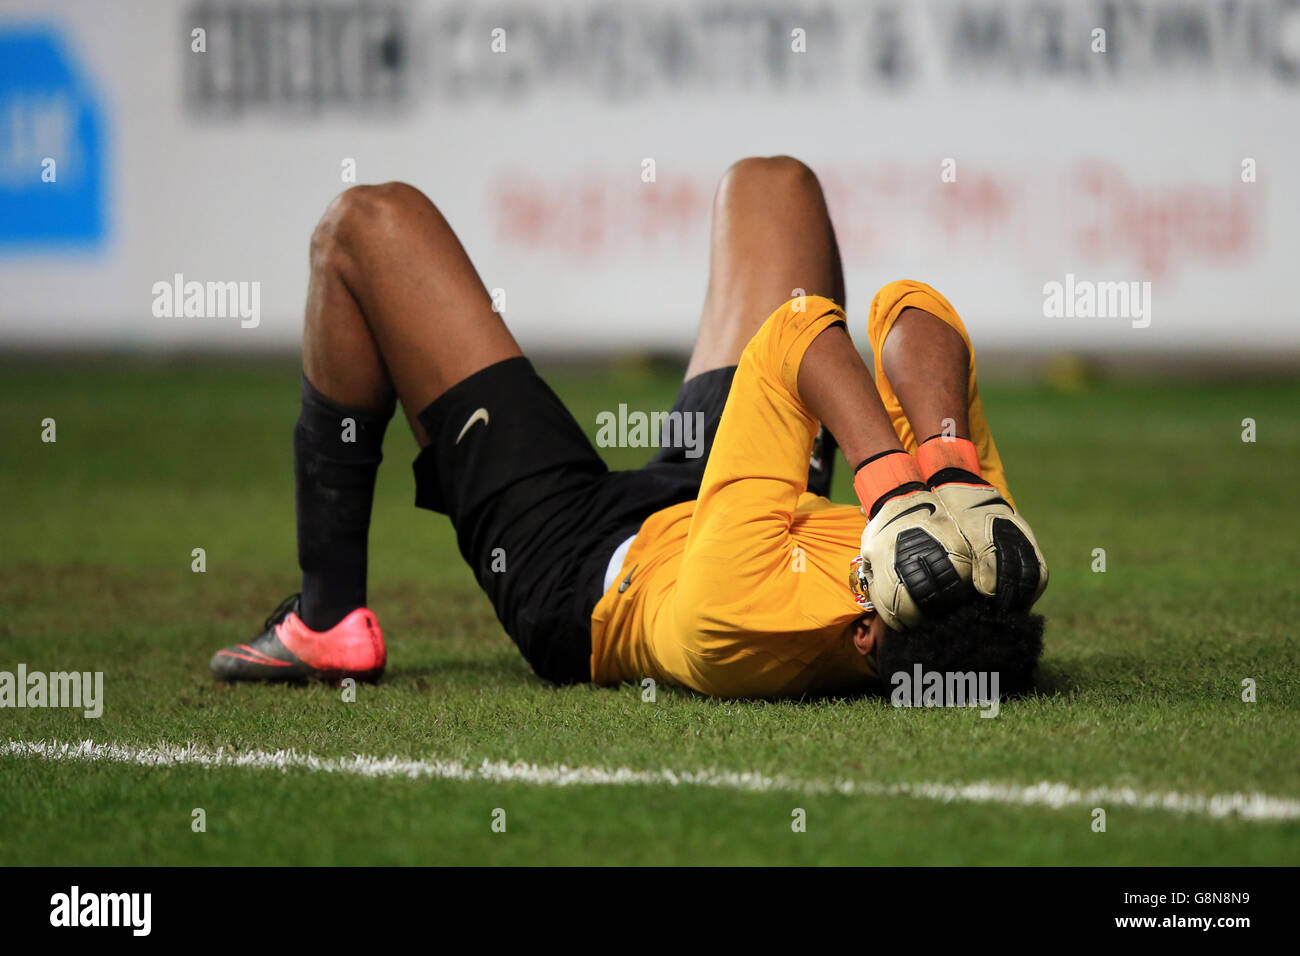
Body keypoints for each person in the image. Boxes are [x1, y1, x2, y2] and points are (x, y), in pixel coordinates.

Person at [210, 156, 1047, 700]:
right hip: (726, 503)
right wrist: (952, 466)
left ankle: (325, 620)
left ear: (864, 634)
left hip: (582, 573)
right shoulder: (970, 577)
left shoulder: (743, 620)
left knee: (363, 223)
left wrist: (893, 486)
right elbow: (911, 307)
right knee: (775, 183)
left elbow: (796, 333)